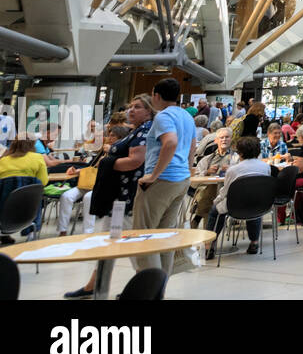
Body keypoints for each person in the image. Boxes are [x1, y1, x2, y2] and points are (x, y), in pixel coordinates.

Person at [63, 95, 154, 298]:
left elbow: (135, 161)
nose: (131, 110)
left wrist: (108, 162)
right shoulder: (136, 131)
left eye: (137, 107)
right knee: (111, 241)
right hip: (119, 197)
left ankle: (147, 287)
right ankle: (95, 284)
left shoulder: (145, 131)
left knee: (132, 244)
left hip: (127, 197)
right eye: (130, 106)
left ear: (149, 111)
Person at [133, 77, 196, 274]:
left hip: (162, 180)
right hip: (181, 180)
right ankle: (160, 285)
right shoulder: (186, 116)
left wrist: (153, 175)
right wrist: (188, 167)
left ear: (156, 95)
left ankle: (149, 287)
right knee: (165, 234)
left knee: (144, 235)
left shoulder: (163, 117)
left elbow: (170, 142)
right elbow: (192, 145)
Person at [205, 135, 272, 259]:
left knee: (215, 211)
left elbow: (225, 192)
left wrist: (216, 201)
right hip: (259, 204)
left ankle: (210, 246)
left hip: (235, 206)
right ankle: (254, 242)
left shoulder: (233, 170)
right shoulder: (266, 167)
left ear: (239, 152)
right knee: (254, 207)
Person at [57, 124, 130, 235]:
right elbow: (92, 166)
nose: (109, 138)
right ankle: (62, 230)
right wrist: (77, 171)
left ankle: (87, 232)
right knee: (66, 196)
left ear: (121, 138)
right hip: (88, 182)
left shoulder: (121, 153)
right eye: (109, 135)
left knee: (88, 198)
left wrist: (109, 154)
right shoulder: (103, 150)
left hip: (102, 185)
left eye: (113, 136)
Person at [190, 127, 234, 227]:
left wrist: (232, 169)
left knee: (214, 194)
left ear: (231, 139)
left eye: (227, 137)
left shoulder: (236, 157)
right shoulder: (208, 159)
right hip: (210, 193)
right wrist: (207, 172)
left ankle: (198, 217)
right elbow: (194, 181)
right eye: (221, 137)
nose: (224, 140)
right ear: (216, 140)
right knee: (211, 189)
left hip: (230, 191)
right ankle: (208, 229)